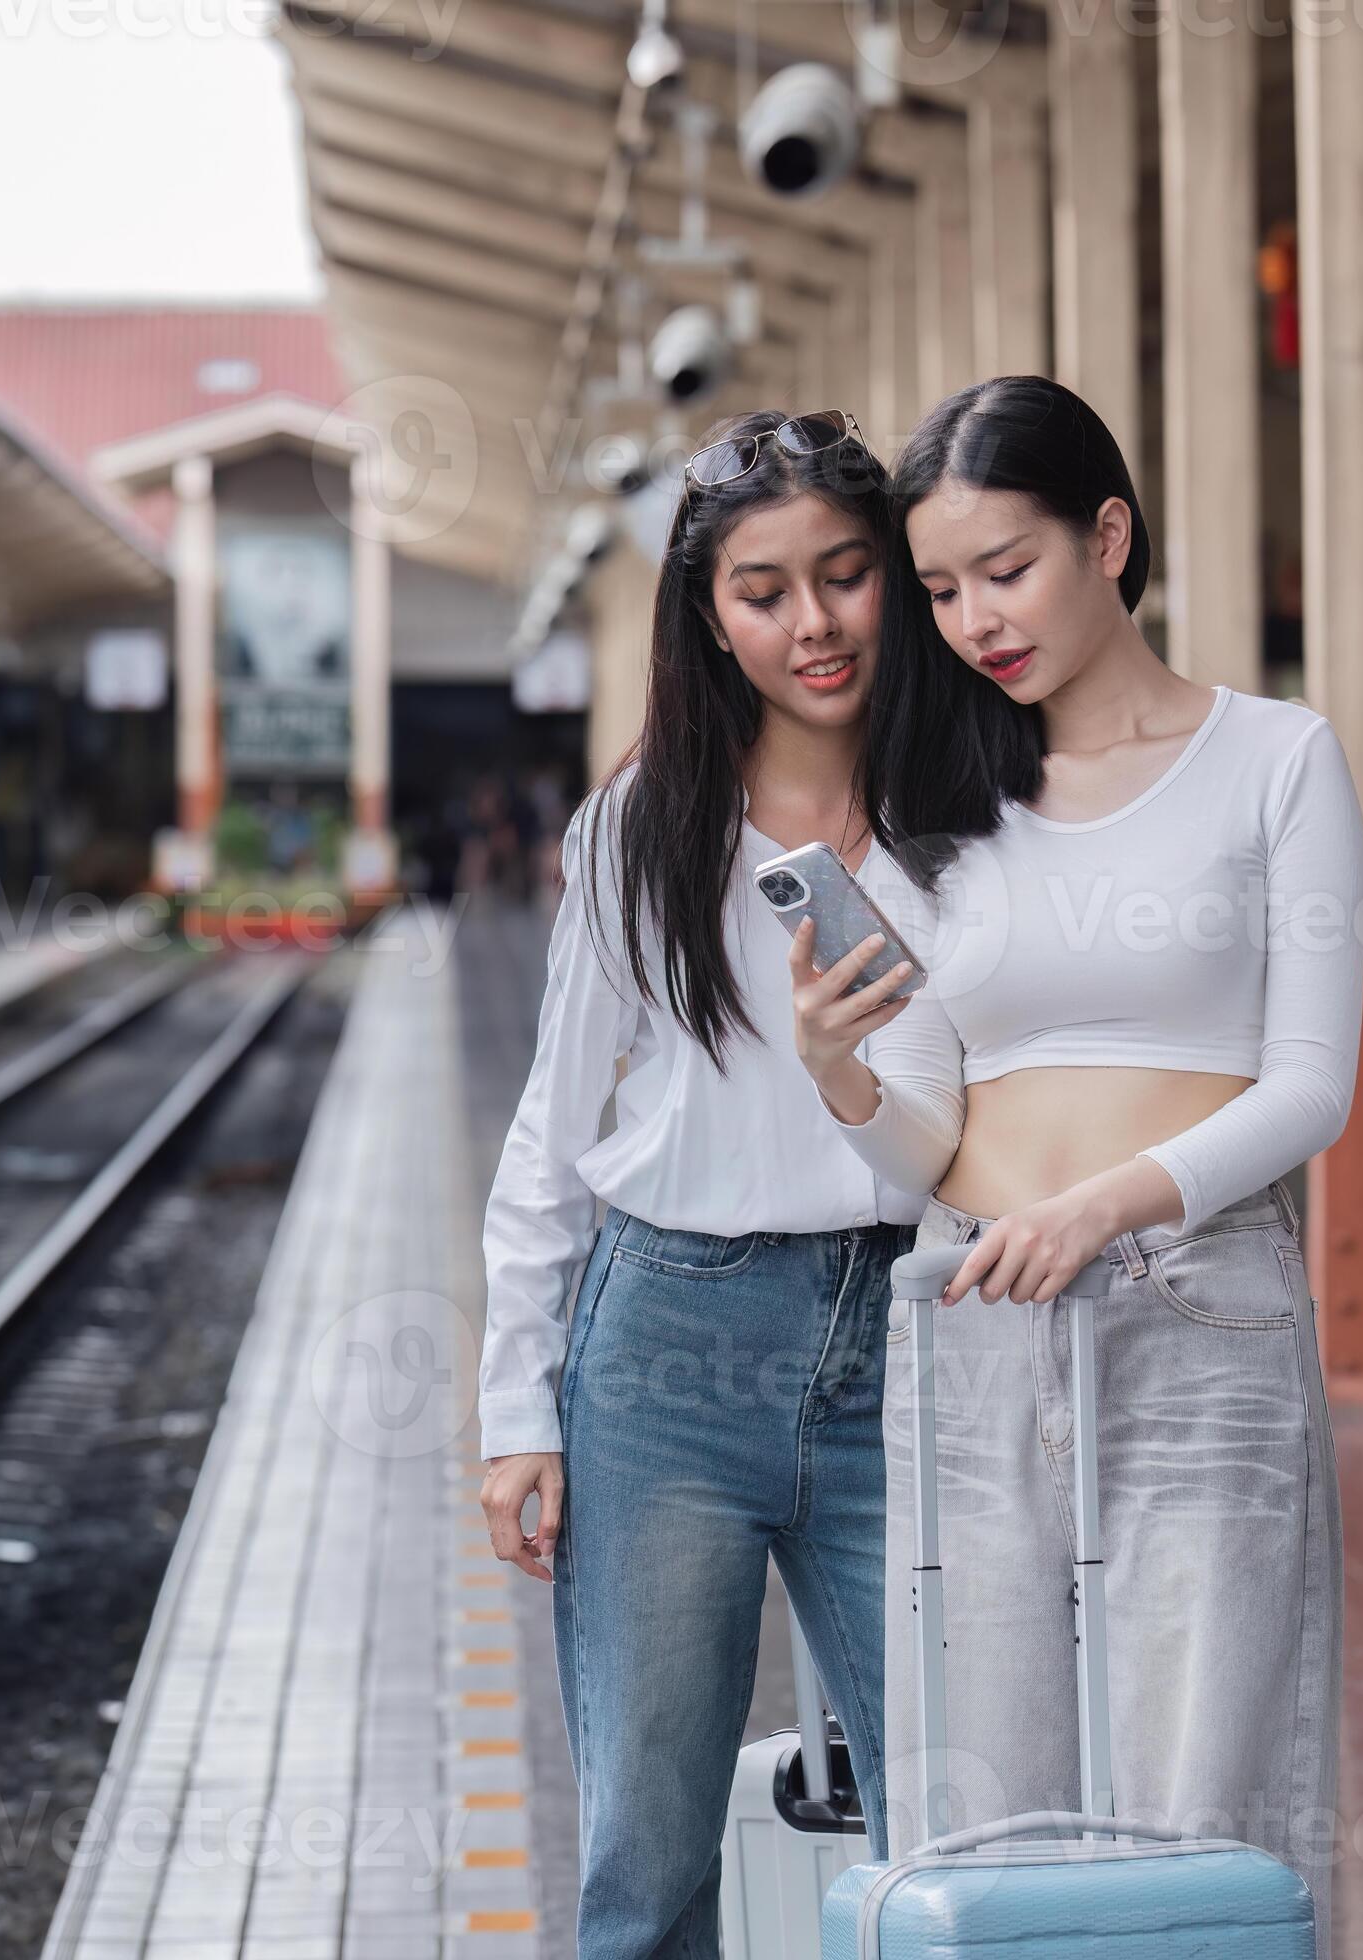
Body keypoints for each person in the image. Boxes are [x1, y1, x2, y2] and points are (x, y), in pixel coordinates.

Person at [785, 376, 1363, 1945]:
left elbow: (1314, 1085)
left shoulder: (1277, 761)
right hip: (973, 1316)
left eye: (1008, 568)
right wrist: (843, 1076)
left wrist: (1105, 1205)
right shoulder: (933, 806)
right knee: (988, 1803)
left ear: (1109, 535)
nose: (977, 619)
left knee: (1204, 1797)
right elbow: (920, 1127)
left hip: (1193, 1305)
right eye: (943, 588)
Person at [478, 409, 920, 1955]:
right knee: (651, 1864)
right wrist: (514, 1410)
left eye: (848, 575)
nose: (813, 623)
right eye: (764, 590)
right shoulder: (641, 831)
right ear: (708, 615)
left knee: (958, 1822)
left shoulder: (975, 815)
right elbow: (549, 1130)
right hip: (666, 1349)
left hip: (912, 1344)